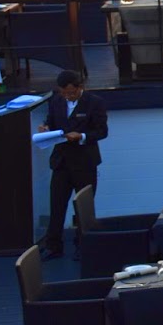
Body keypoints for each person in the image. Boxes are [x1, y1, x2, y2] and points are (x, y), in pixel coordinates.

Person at [40, 70, 108, 260]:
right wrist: (46, 128)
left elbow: (102, 131)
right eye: (64, 93)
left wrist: (82, 136)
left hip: (84, 161)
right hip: (61, 161)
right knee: (57, 204)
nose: (67, 96)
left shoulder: (95, 103)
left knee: (83, 206)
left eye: (71, 92)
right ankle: (53, 245)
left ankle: (83, 244)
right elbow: (52, 122)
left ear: (80, 87)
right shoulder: (56, 101)